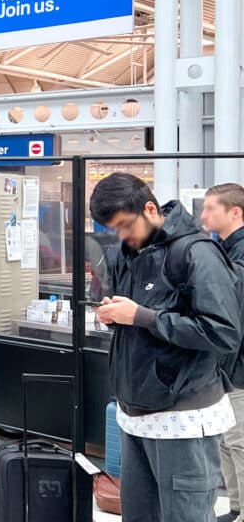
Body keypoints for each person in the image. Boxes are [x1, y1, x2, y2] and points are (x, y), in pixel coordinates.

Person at [91, 173, 241, 522]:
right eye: (115, 229)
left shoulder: (196, 252)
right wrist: (116, 315)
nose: (122, 235)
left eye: (126, 225)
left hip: (183, 415)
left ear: (149, 208)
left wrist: (141, 316)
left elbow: (223, 332)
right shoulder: (129, 253)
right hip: (135, 414)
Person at [202, 183, 244, 520]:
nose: (204, 215)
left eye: (210, 209)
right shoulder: (224, 250)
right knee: (227, 443)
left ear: (235, 211)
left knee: (239, 443)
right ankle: (234, 506)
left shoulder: (239, 255)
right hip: (226, 367)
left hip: (239, 367)